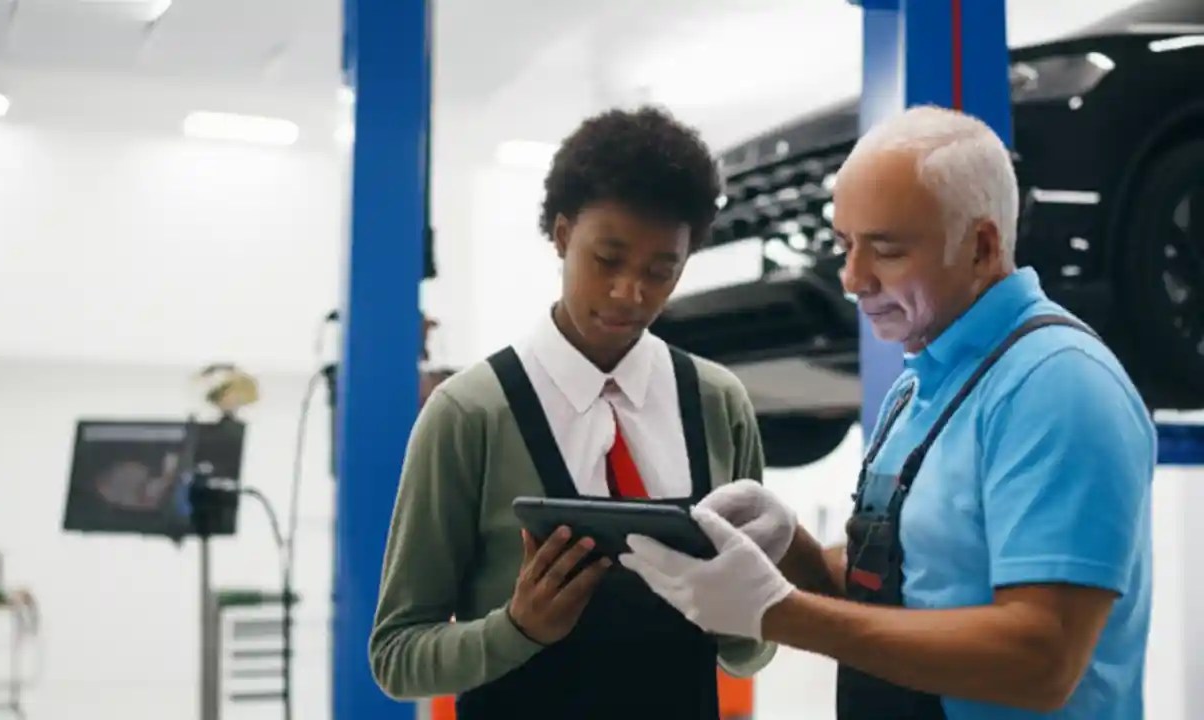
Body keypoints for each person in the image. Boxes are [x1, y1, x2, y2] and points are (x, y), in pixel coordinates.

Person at [619, 105, 1156, 720]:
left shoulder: (1055, 385)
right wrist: (787, 548)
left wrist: (777, 613)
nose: (852, 278)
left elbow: (1041, 660)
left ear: (981, 247)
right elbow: (907, 586)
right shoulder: (918, 384)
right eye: (845, 245)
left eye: (887, 251)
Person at [369, 106, 778, 719]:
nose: (629, 293)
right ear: (561, 236)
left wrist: (746, 614)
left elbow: (747, 654)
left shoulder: (718, 405)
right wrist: (516, 629)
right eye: (606, 260)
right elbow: (396, 655)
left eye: (659, 271)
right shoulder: (470, 414)